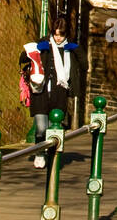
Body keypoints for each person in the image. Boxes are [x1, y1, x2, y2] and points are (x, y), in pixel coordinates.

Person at [19, 16, 80, 167]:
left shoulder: (69, 49)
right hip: (40, 92)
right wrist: (36, 50)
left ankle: (52, 155)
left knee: (54, 128)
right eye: (56, 34)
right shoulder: (43, 43)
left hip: (59, 93)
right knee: (41, 128)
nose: (58, 38)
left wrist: (77, 50)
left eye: (61, 34)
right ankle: (39, 153)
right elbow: (23, 59)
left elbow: (84, 64)